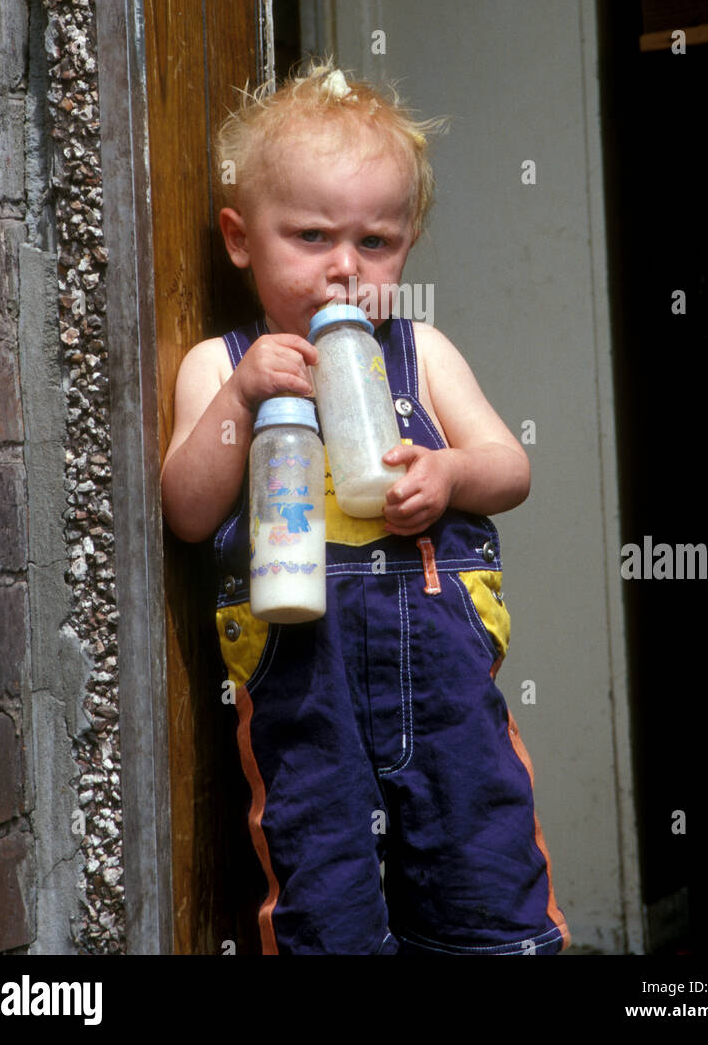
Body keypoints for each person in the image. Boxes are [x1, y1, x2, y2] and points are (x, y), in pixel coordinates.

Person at [160, 59, 570, 955]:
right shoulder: (220, 362)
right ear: (240, 238)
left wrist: (449, 476)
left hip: (444, 684)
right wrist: (240, 401)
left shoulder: (419, 352)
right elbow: (189, 514)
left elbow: (510, 466)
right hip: (307, 685)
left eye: (374, 244)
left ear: (407, 244)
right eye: (309, 236)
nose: (344, 269)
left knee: (485, 870)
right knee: (325, 896)